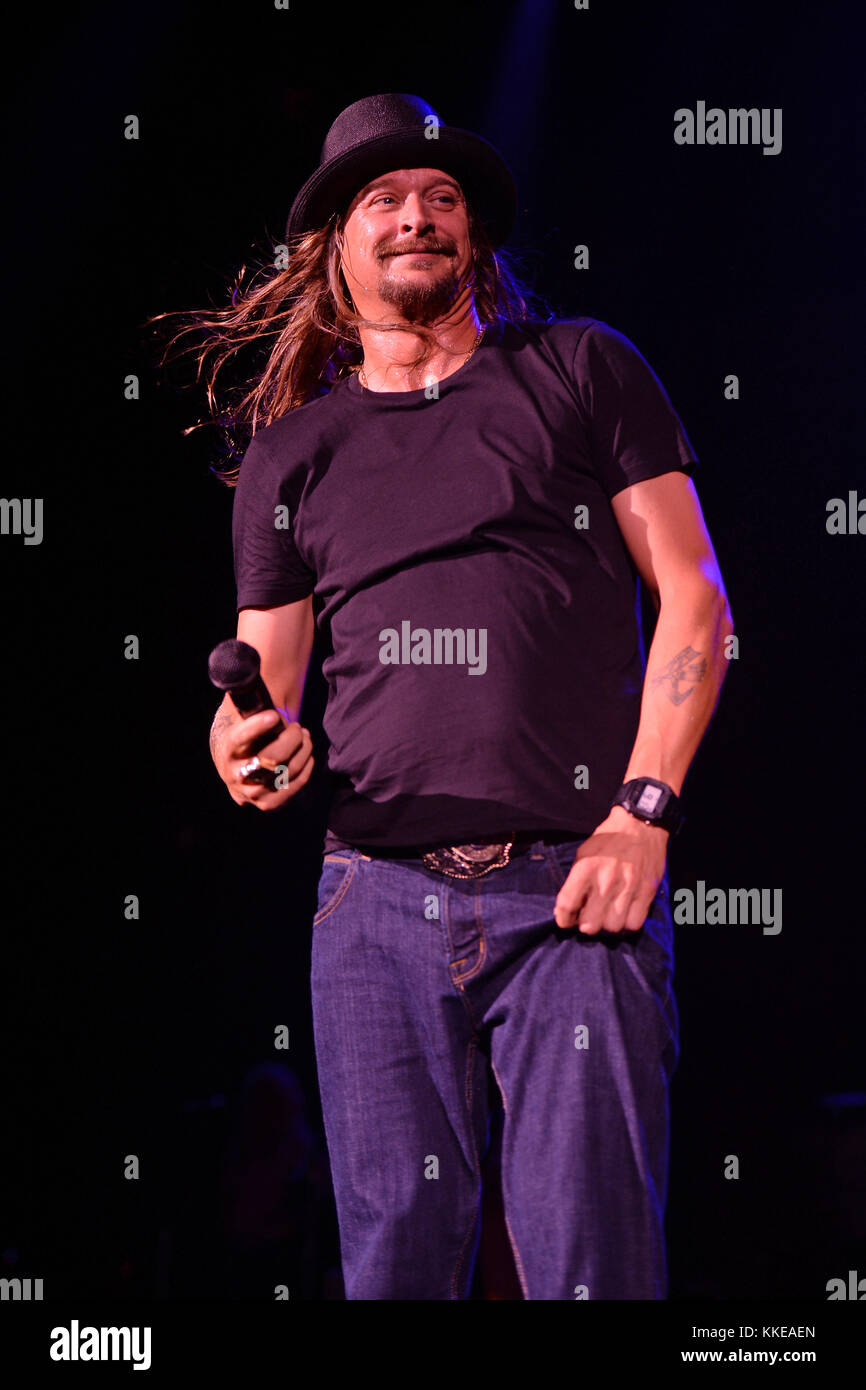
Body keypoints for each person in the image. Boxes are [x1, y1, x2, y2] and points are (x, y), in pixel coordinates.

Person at [203, 93, 734, 1299]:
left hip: (575, 890)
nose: (414, 216)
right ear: (334, 250)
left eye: (439, 197)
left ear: (474, 238)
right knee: (392, 1261)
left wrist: (641, 813)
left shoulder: (579, 371)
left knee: (589, 1256)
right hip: (372, 902)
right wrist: (249, 750)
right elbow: (261, 697)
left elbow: (696, 601)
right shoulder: (293, 456)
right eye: (381, 199)